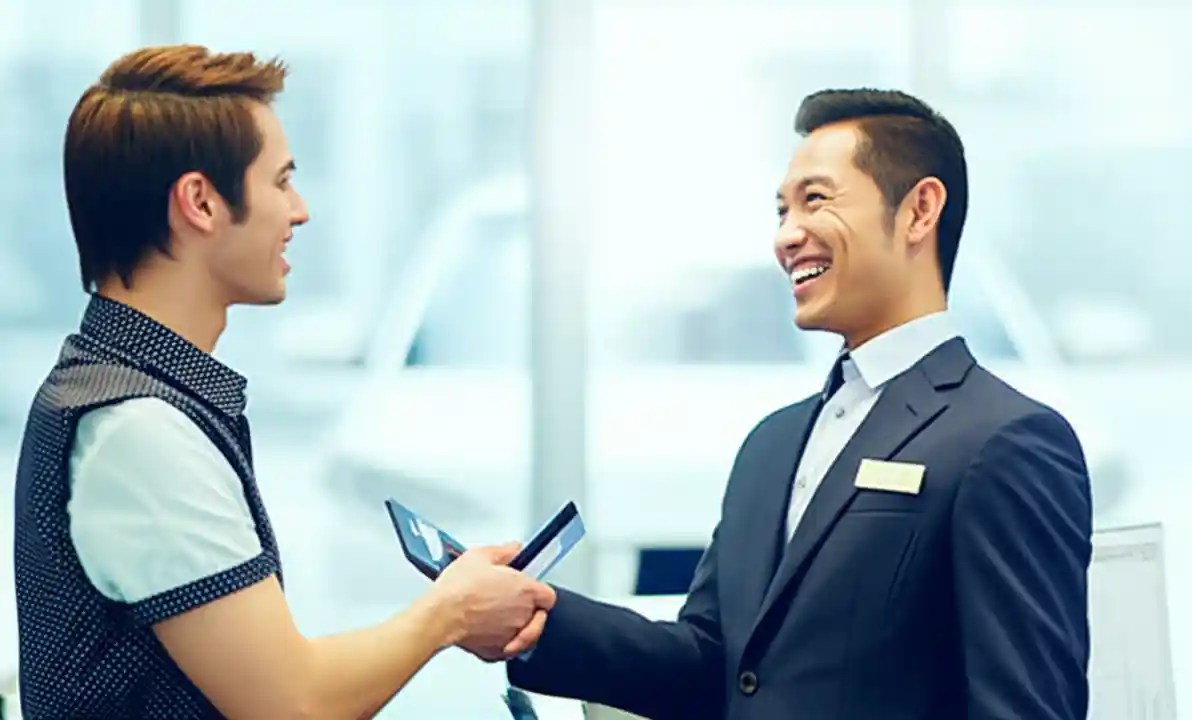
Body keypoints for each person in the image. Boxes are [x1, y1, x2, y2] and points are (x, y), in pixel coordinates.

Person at [507, 88, 1092, 719]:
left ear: (920, 210)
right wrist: (537, 619)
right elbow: (716, 666)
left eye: (815, 200)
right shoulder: (773, 444)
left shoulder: (1003, 440)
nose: (788, 236)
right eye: (781, 210)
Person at [12, 44, 554, 719]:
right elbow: (293, 706)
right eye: (281, 181)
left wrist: (449, 611)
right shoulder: (136, 430)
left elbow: (274, 671)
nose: (298, 211)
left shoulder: (122, 390)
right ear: (201, 203)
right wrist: (449, 614)